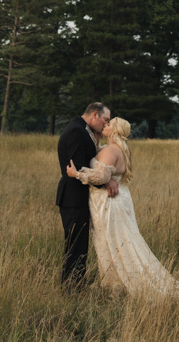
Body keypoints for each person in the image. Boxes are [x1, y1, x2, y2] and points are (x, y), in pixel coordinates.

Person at [67, 117, 179, 298]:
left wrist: (77, 174)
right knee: (116, 242)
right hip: (116, 199)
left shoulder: (111, 150)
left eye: (109, 124)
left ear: (115, 131)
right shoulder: (116, 149)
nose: (106, 124)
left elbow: (100, 177)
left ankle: (120, 285)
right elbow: (105, 171)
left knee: (114, 242)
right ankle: (116, 284)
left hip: (109, 203)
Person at [56, 102, 118, 285]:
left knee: (79, 245)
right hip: (73, 197)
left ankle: (76, 285)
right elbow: (79, 167)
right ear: (95, 115)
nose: (105, 124)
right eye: (105, 120)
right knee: (75, 245)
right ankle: (72, 288)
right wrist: (107, 180)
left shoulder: (83, 129)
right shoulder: (77, 131)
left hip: (77, 197)